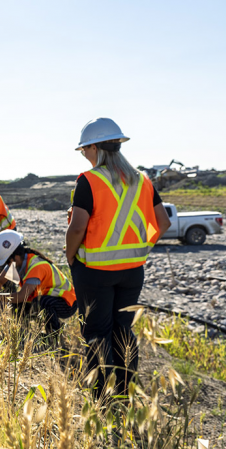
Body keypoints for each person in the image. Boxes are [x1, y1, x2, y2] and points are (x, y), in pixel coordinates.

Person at [64, 117, 170, 400]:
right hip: (132, 272)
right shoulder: (142, 180)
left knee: (97, 332)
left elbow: (77, 227)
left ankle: (101, 398)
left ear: (96, 147)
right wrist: (139, 248)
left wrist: (70, 256)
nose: (84, 155)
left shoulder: (88, 181)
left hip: (94, 271)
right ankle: (125, 391)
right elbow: (163, 223)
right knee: (123, 330)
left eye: (84, 149)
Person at [0, 230, 77, 337]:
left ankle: (54, 336)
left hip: (67, 303)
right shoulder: (17, 263)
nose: (6, 266)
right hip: (50, 299)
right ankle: (23, 334)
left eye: (7, 262)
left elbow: (21, 296)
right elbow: (0, 282)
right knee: (18, 305)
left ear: (15, 257)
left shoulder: (36, 266)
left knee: (42, 302)